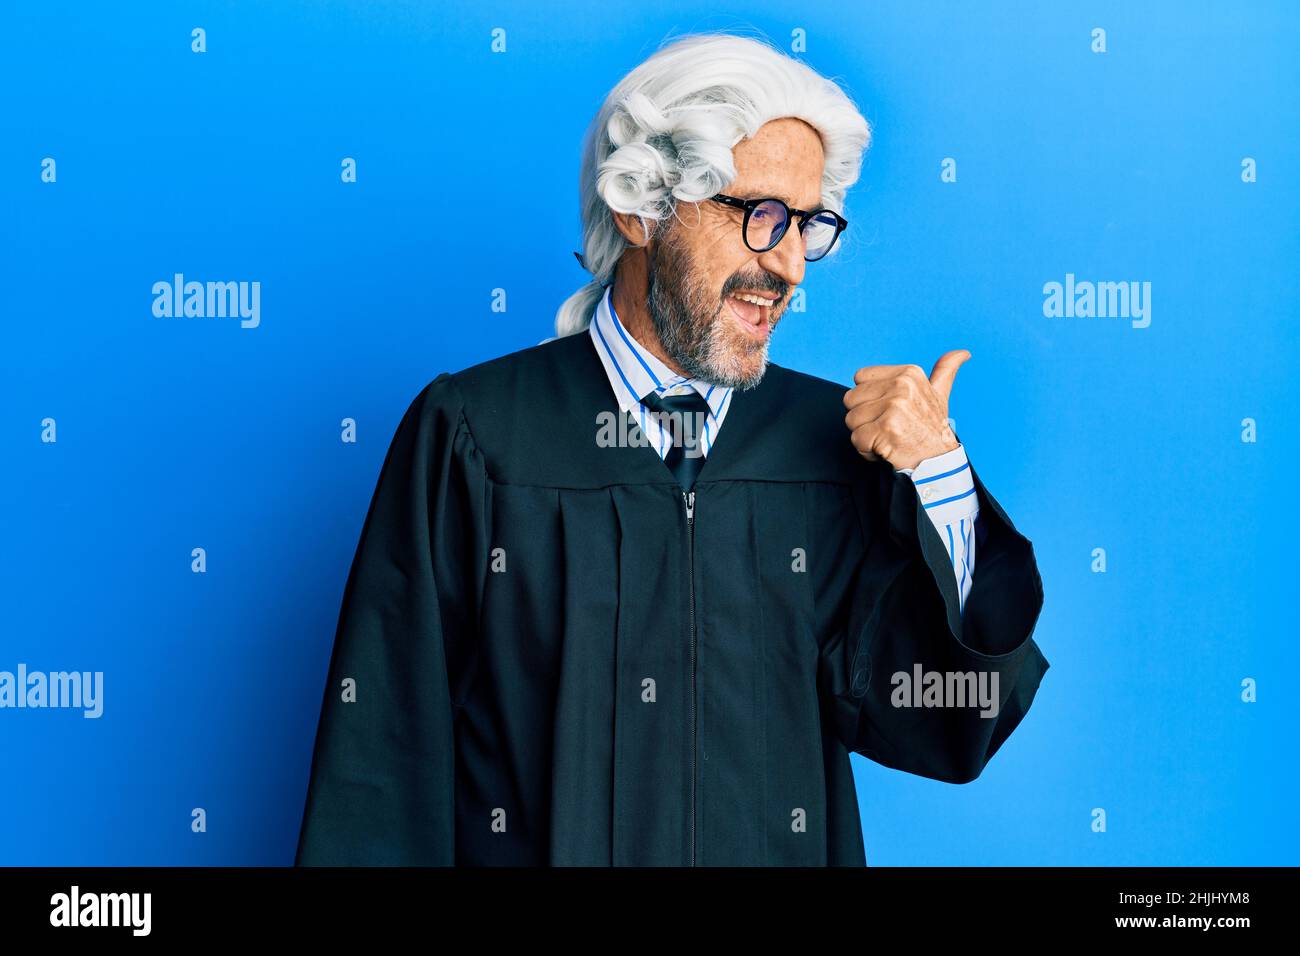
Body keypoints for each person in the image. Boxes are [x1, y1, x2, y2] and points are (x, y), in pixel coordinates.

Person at [294, 32, 1048, 866]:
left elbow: (951, 723)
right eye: (760, 216)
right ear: (641, 209)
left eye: (808, 225)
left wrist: (938, 476)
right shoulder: (478, 437)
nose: (790, 265)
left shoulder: (829, 451)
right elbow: (382, 771)